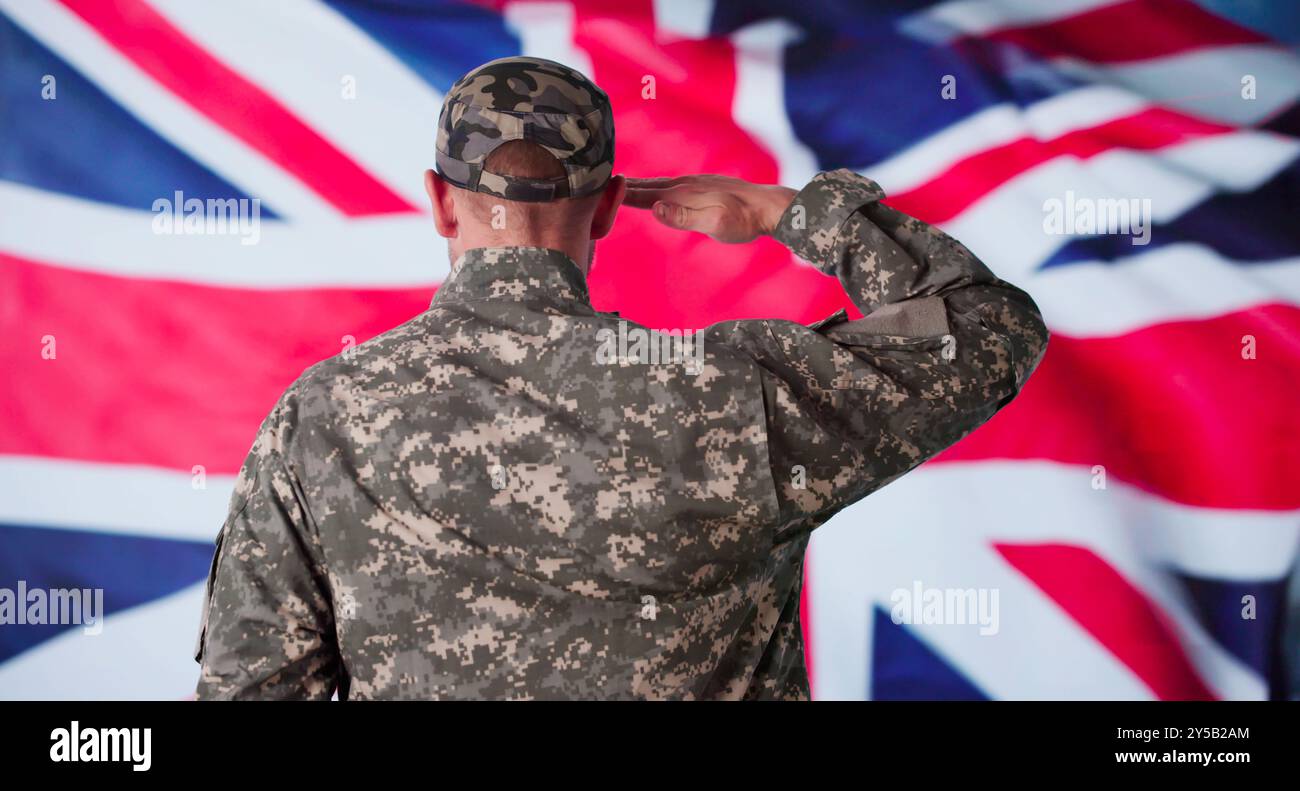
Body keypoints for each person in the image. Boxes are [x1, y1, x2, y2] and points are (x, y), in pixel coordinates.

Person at [194, 56, 1048, 700]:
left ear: (440, 201)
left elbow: (250, 687)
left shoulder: (323, 419)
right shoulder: (722, 390)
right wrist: (782, 212)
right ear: (607, 206)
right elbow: (986, 327)